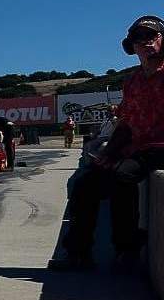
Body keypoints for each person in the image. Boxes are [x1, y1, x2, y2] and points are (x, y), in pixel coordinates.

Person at [51, 15, 164, 270]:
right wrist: (109, 152)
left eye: (152, 36)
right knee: (85, 185)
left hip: (160, 149)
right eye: (139, 38)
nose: (146, 42)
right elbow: (125, 124)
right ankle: (78, 254)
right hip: (138, 149)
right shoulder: (133, 82)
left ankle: (127, 250)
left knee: (122, 176)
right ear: (131, 46)